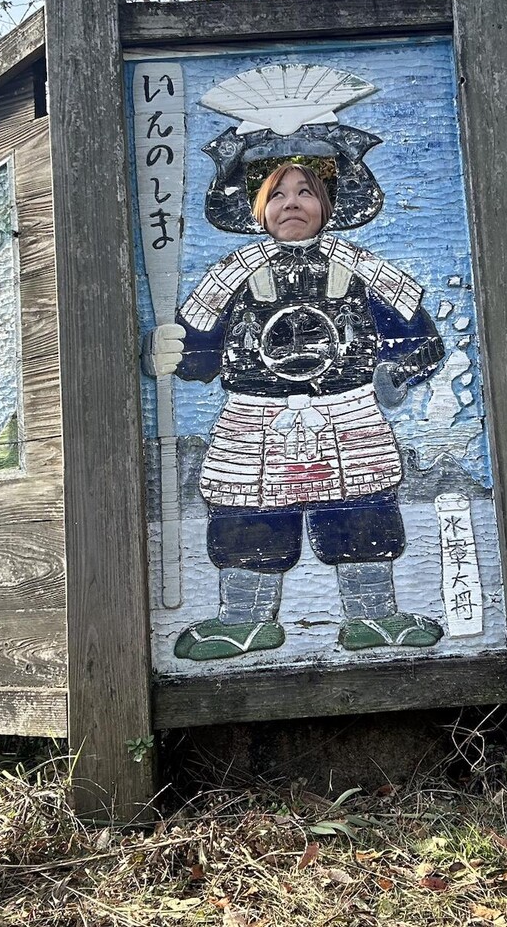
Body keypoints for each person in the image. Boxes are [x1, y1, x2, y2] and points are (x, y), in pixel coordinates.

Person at [146, 162, 447, 660]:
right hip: (254, 417)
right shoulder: (228, 276)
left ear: (327, 206)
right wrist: (167, 351)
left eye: (305, 192)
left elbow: (421, 341)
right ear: (258, 209)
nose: (291, 203)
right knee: (249, 513)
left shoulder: (363, 269)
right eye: (277, 194)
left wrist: (394, 376)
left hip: (349, 413)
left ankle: (373, 614)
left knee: (363, 511)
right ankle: (243, 619)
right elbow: (197, 357)